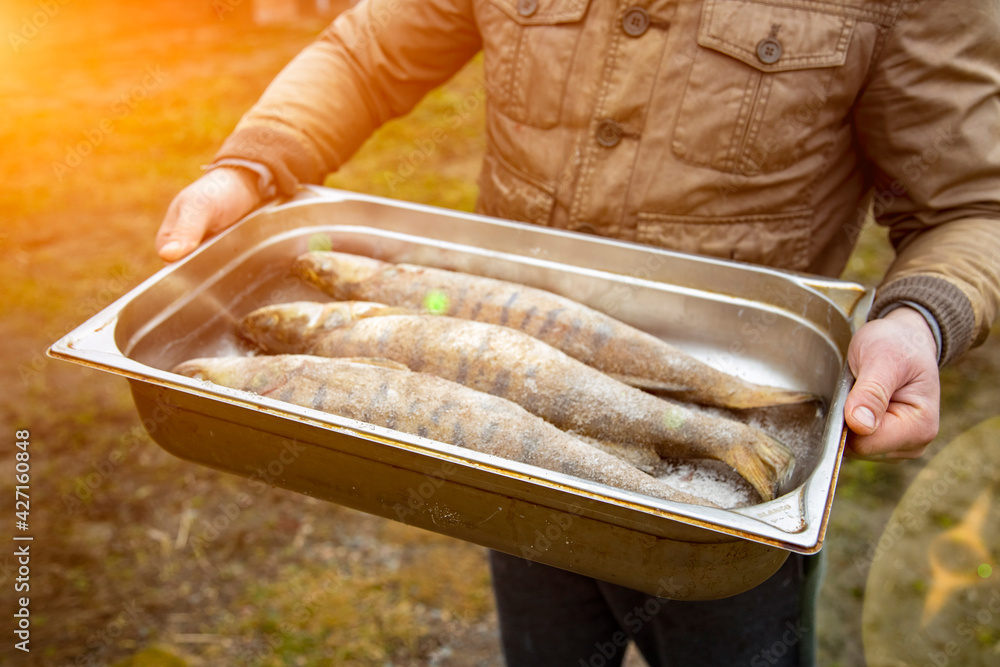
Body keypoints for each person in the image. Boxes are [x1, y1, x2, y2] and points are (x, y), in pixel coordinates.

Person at [155, 0, 1000, 664]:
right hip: (509, 460)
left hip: (719, 530)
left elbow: (970, 203)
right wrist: (254, 161)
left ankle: (718, 437)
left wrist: (922, 316)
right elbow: (367, 51)